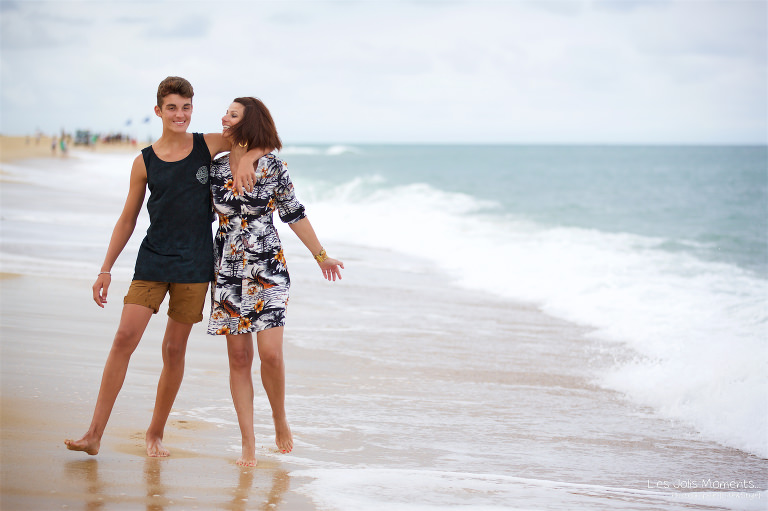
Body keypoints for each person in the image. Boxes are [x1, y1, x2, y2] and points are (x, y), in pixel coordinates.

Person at [65, 77, 262, 457]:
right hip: (152, 259)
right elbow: (127, 219)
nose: (180, 114)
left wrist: (249, 158)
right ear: (158, 111)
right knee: (124, 339)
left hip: (194, 265)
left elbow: (261, 137)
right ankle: (93, 434)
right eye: (172, 107)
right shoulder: (144, 161)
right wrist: (105, 268)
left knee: (174, 351)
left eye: (186, 107)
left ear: (192, 109)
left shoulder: (207, 144)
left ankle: (154, 433)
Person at [208, 97, 343, 466]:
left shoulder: (273, 167)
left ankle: (279, 417)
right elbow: (194, 213)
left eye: (232, 114)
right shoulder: (214, 169)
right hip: (228, 270)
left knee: (270, 354)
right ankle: (248, 444)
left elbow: (293, 213)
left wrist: (321, 256)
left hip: (268, 269)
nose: (223, 117)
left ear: (248, 122)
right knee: (238, 357)